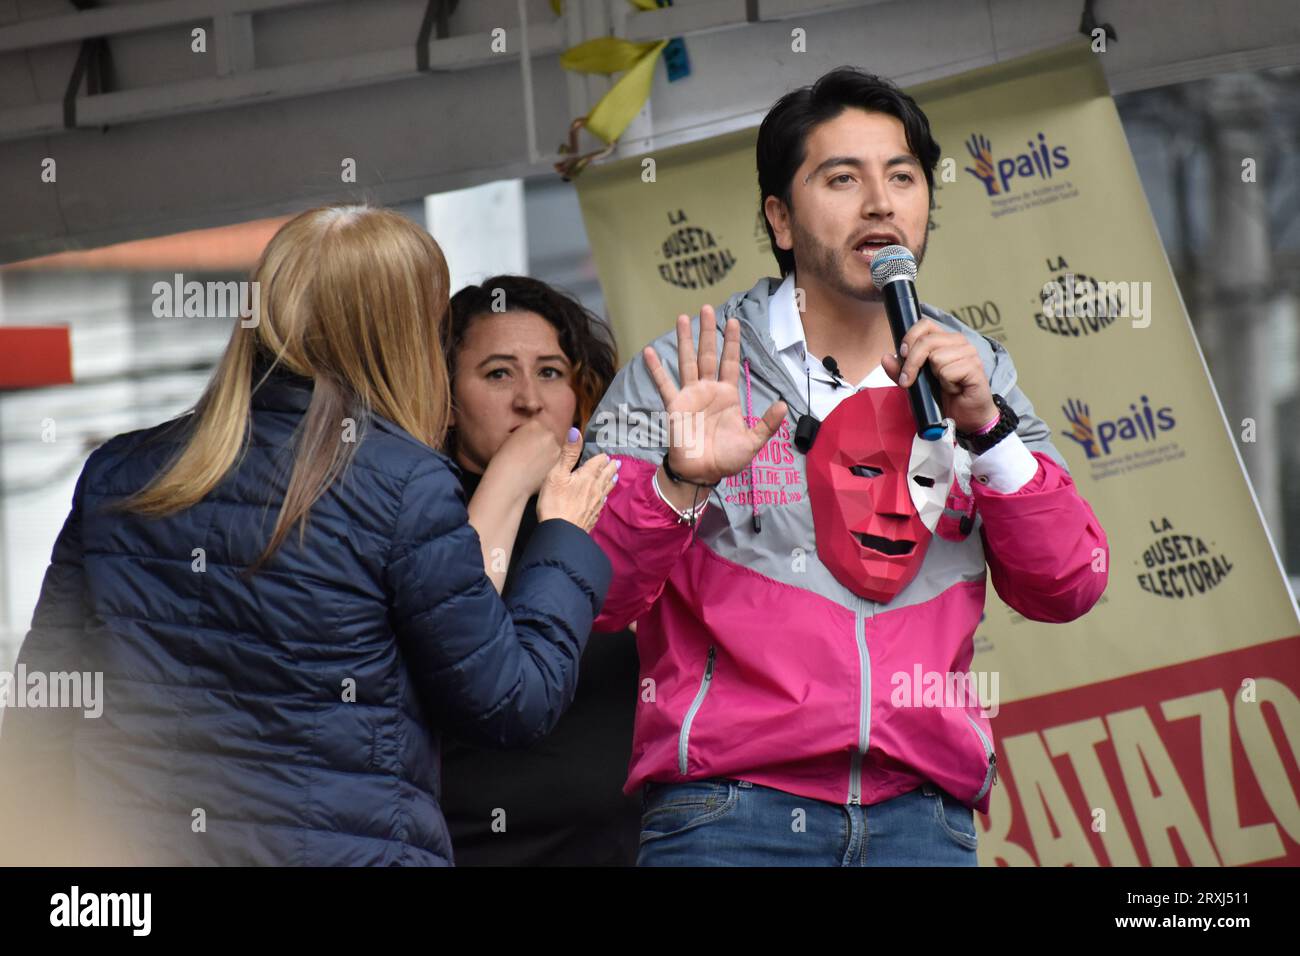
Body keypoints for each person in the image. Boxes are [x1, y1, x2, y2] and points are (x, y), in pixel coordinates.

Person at [582, 68, 1110, 866]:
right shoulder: (688, 370)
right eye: (842, 178)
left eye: (902, 177)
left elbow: (1068, 584)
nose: (881, 203)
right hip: (731, 814)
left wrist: (988, 434)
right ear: (780, 218)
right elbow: (591, 592)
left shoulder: (981, 377)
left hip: (922, 821)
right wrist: (679, 483)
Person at [0, 204, 618, 866]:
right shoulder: (404, 484)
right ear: (398, 334)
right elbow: (509, 702)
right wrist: (562, 536)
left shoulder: (119, 473)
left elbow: (41, 711)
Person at [438, 276, 641, 866]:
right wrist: (509, 477)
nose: (529, 399)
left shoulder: (618, 506)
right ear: (447, 397)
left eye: (551, 372)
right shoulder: (419, 507)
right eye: (499, 373)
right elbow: (462, 638)